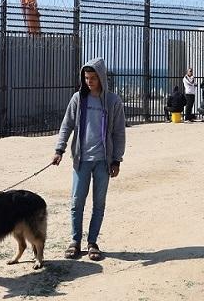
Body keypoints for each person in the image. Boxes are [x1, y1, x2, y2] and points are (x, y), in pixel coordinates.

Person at [52, 58, 126, 262]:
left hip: (103, 161)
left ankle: (92, 243)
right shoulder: (78, 99)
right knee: (76, 202)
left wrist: (117, 160)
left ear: (101, 78)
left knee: (99, 204)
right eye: (86, 78)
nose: (89, 82)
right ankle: (75, 241)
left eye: (93, 78)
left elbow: (119, 132)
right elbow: (66, 125)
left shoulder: (113, 102)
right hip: (81, 160)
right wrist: (60, 149)